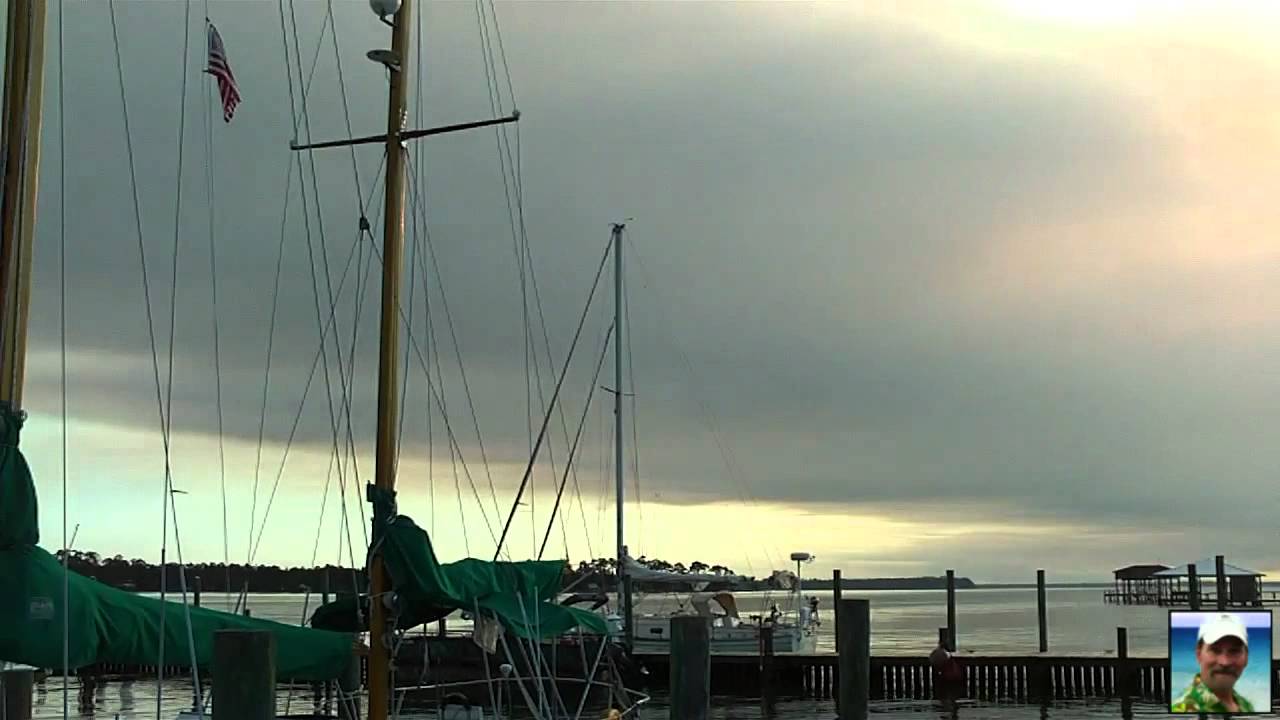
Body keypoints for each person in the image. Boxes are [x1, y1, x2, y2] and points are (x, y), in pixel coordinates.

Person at [1171, 613, 1254, 713]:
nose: (1225, 662)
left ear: (1246, 658)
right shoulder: (1182, 709)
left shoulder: (1246, 706)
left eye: (1234, 651)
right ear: (1199, 655)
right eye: (1215, 650)